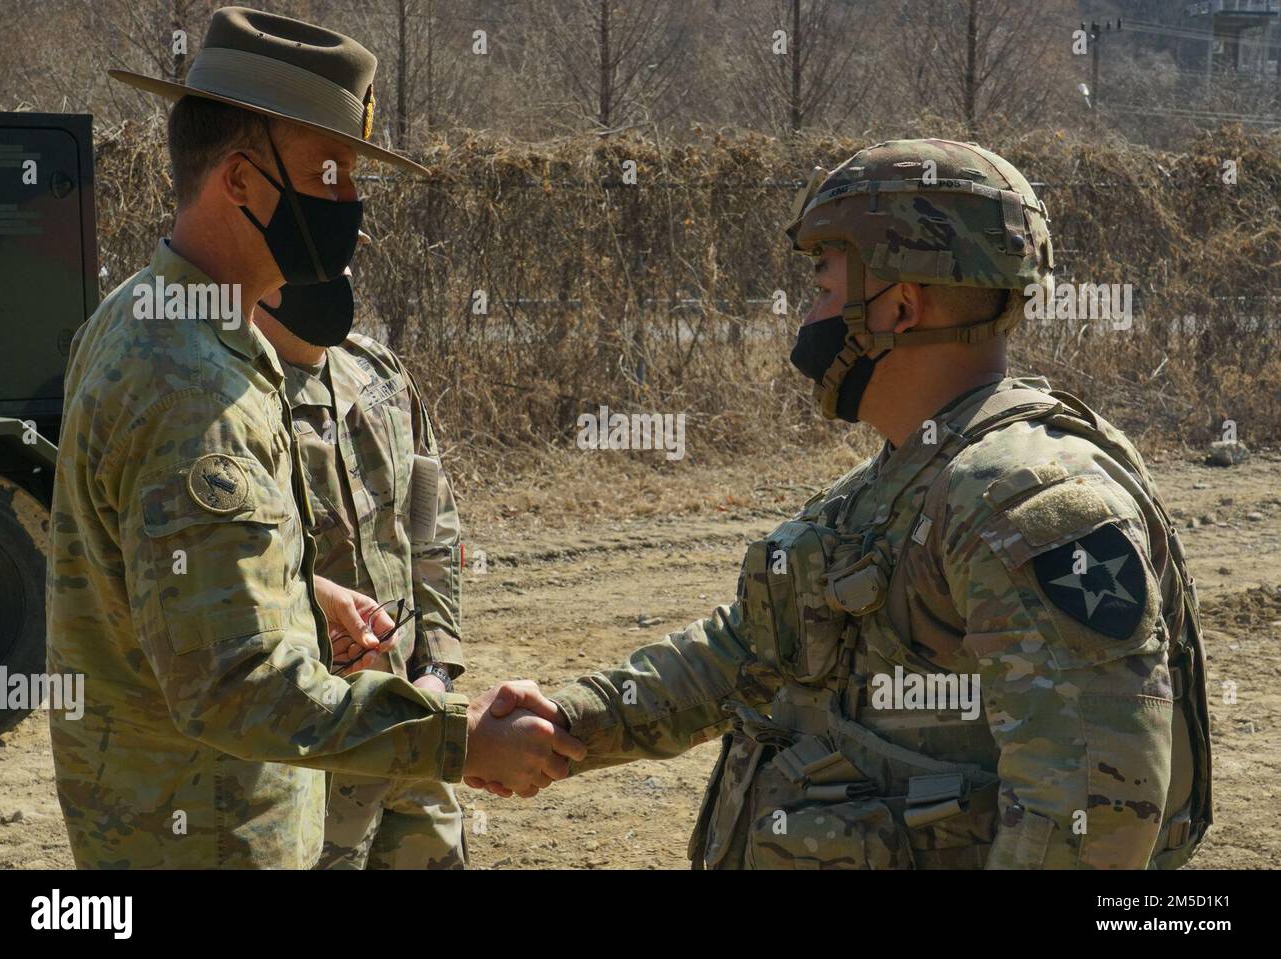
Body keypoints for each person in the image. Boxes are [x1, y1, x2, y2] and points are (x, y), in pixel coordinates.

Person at [490, 138, 1212, 869]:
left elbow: (1093, 811)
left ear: (899, 306)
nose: (809, 315)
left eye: (824, 289)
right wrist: (574, 718)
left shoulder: (1023, 499)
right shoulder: (904, 478)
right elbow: (747, 650)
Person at [47, 5, 582, 869]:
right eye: (331, 175)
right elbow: (236, 683)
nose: (352, 205)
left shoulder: (154, 317)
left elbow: (160, 581)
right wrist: (459, 740)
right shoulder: (193, 386)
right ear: (241, 181)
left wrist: (299, 589)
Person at [252, 261, 469, 869]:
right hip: (309, 738)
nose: (339, 273)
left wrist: (436, 667)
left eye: (343, 261)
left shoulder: (378, 372)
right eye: (316, 262)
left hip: (411, 709)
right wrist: (314, 592)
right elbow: (222, 568)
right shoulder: (232, 395)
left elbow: (431, 521)